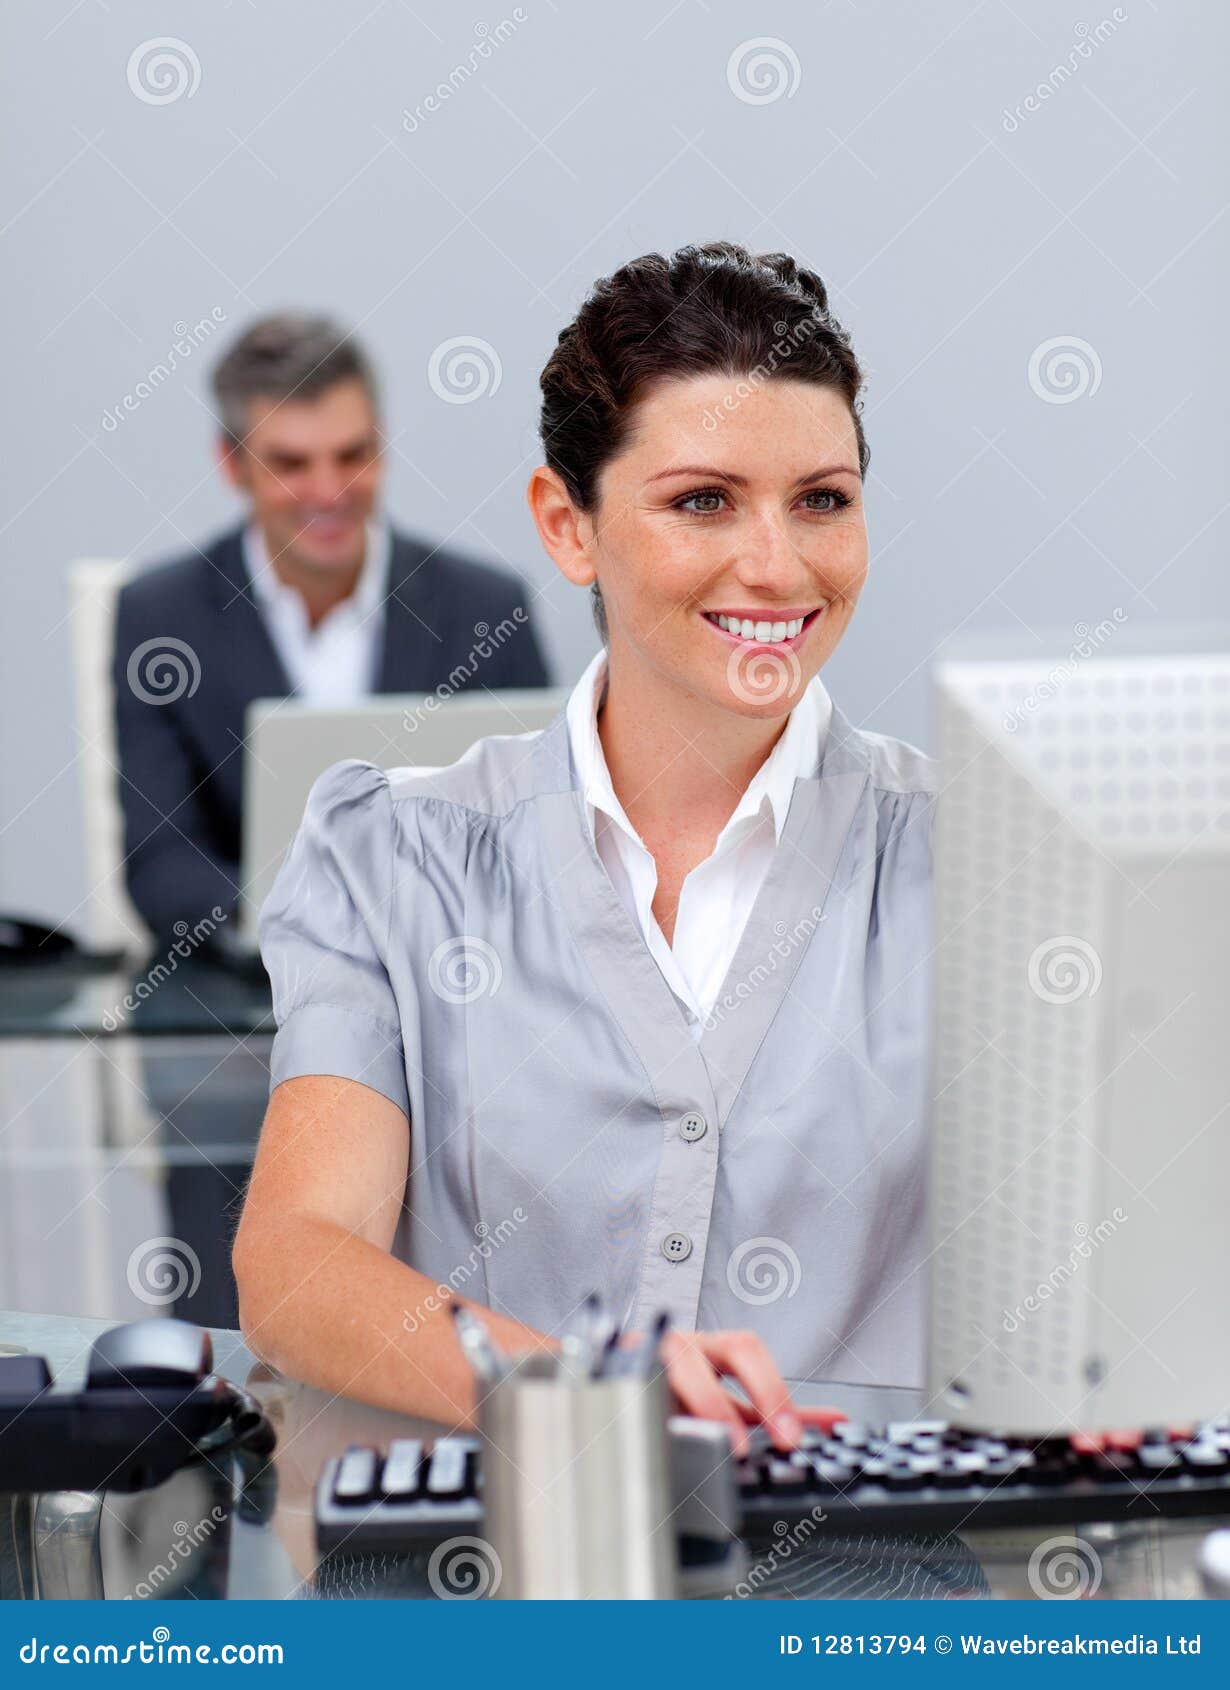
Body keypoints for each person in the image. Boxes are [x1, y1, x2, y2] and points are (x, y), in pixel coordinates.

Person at [234, 244, 937, 1455]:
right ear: (570, 526)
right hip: (504, 1556)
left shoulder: (978, 862)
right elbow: (297, 1263)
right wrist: (591, 1400)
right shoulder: (394, 855)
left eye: (822, 499)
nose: (776, 565)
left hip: (871, 1568)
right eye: (703, 500)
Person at [112, 313, 551, 943]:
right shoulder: (160, 618)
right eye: (291, 463)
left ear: (382, 445)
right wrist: (301, 924)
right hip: (255, 981)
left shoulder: (486, 608)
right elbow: (160, 860)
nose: (329, 491)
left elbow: (533, 833)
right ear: (232, 465)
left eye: (352, 455)